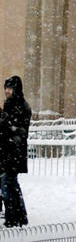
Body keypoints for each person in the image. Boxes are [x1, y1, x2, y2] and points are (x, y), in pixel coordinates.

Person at [0, 75, 31, 228]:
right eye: (5, 88)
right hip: (9, 152)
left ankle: (12, 217)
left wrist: (9, 129)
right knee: (11, 185)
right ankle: (19, 216)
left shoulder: (18, 105)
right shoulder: (11, 104)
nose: (6, 91)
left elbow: (20, 131)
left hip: (12, 153)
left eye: (9, 88)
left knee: (7, 185)